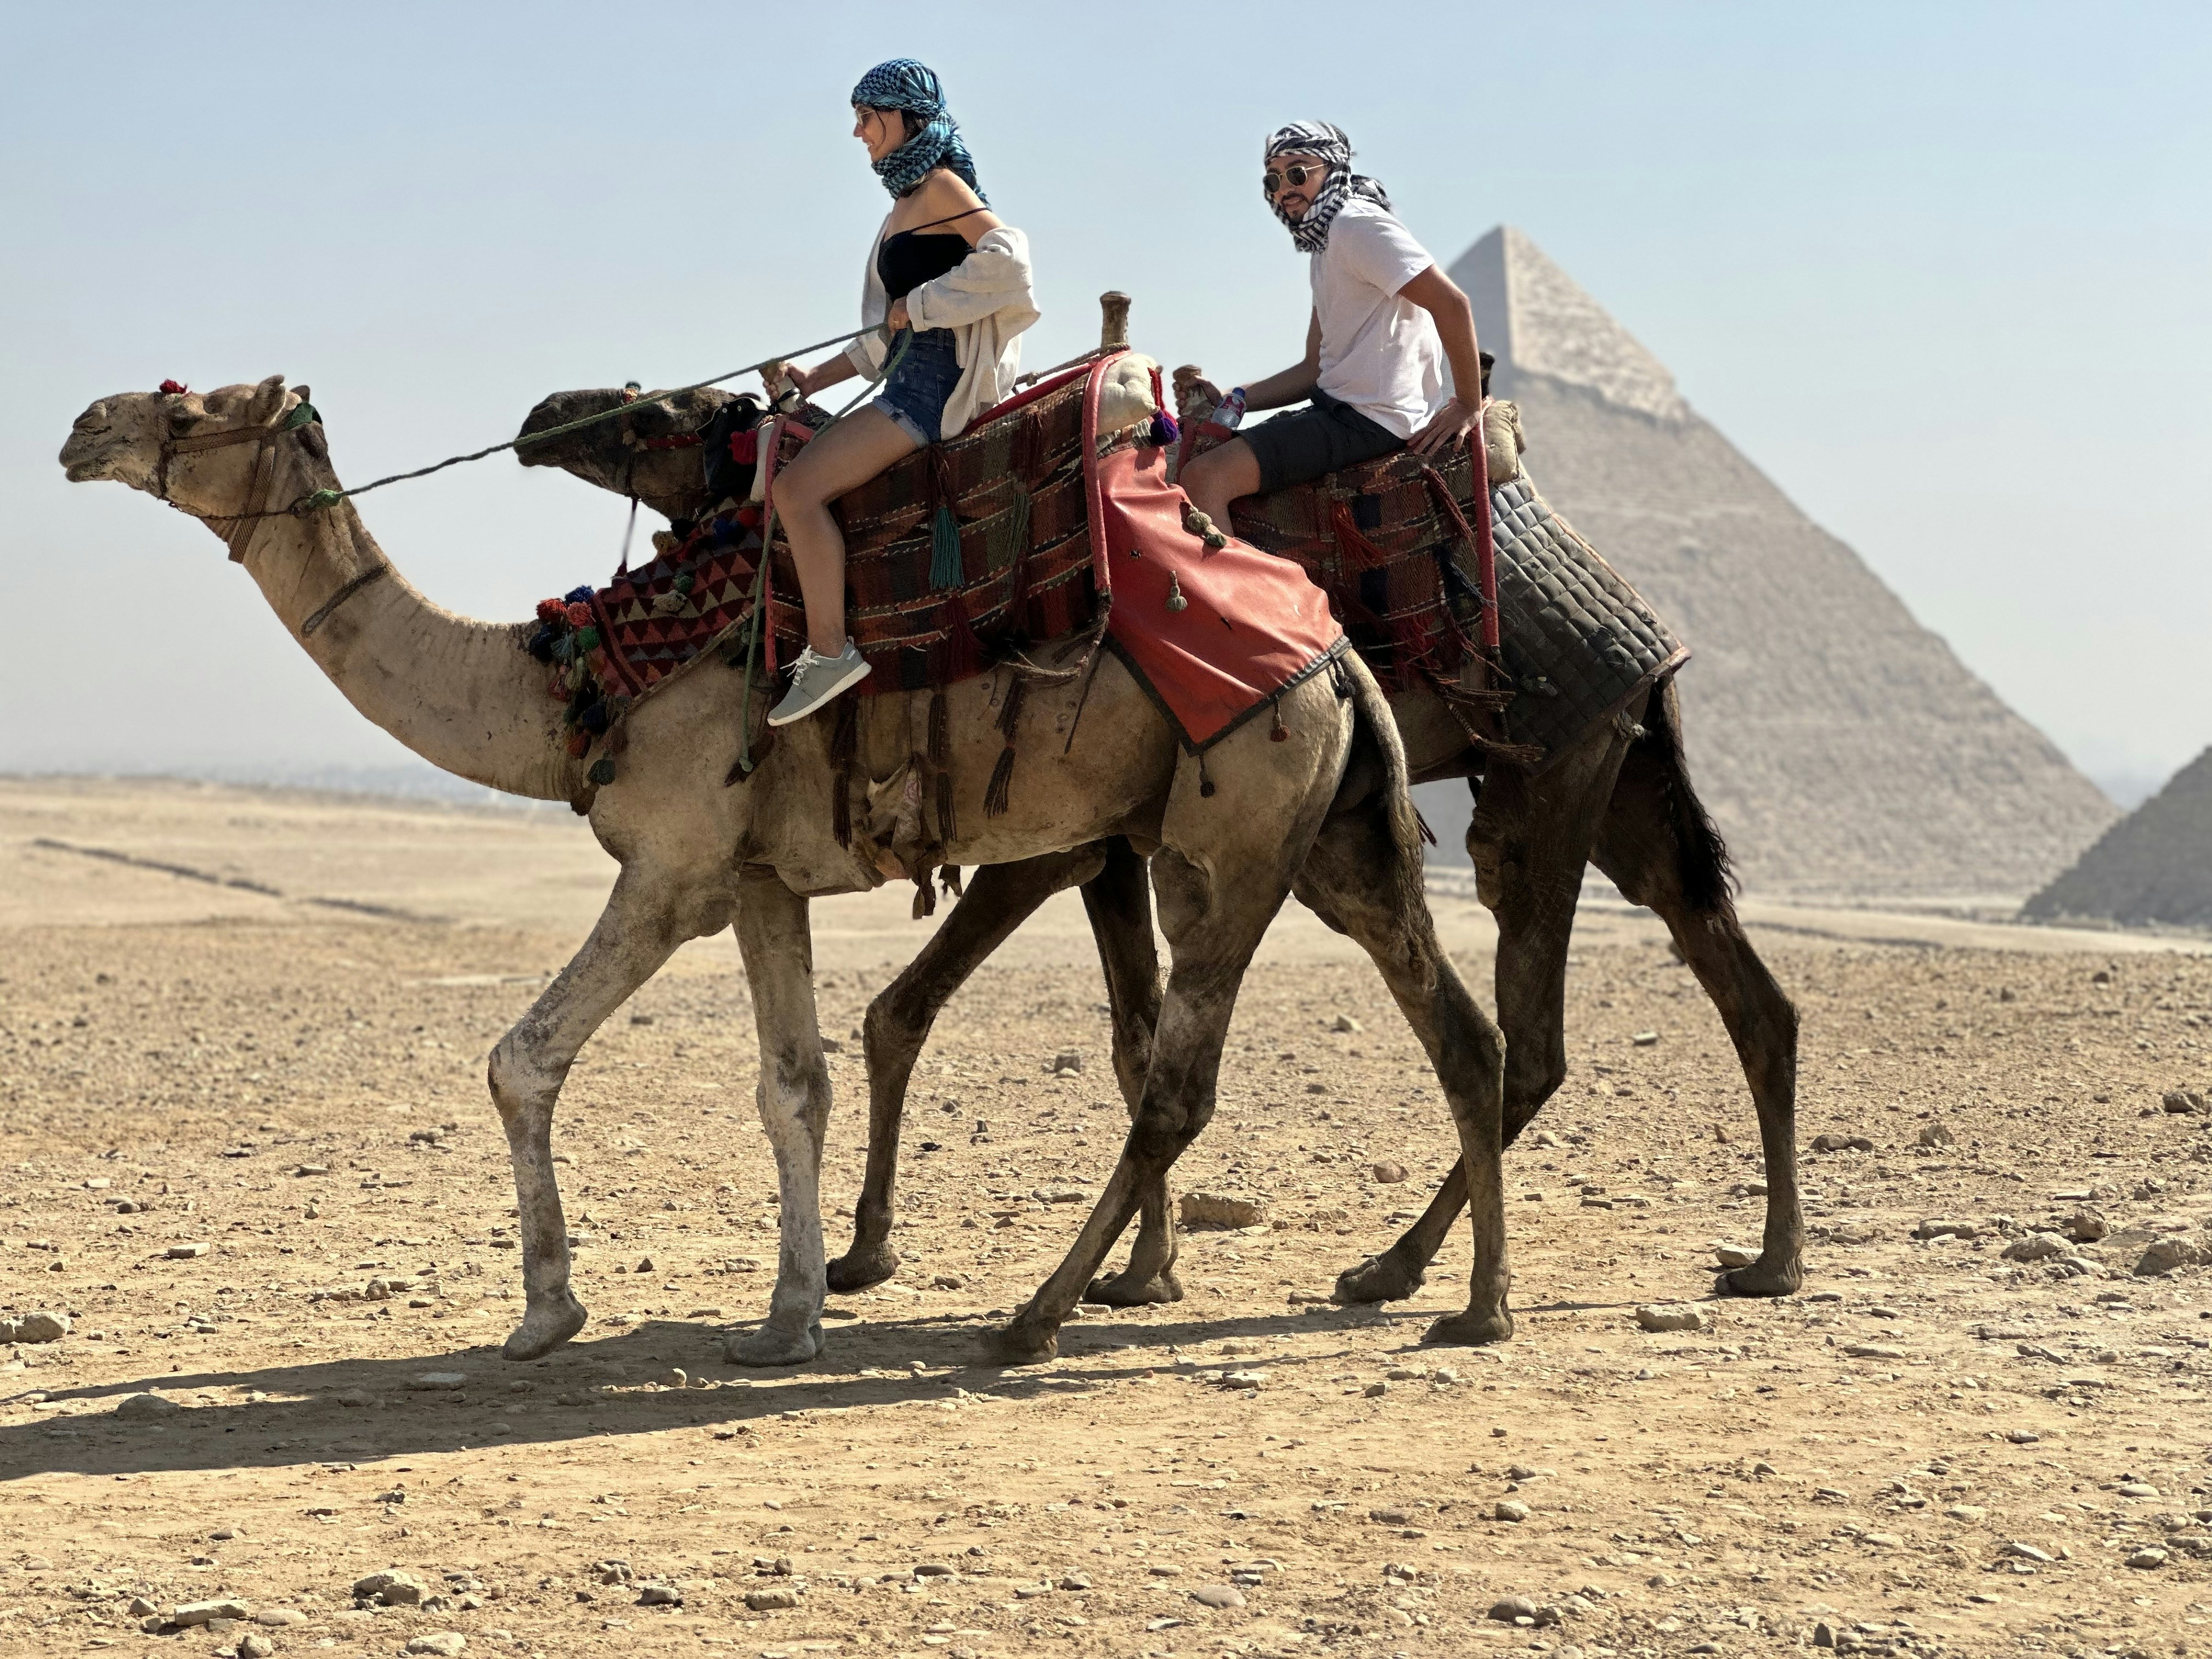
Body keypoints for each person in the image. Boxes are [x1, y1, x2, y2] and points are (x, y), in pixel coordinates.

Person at [763, 59, 1040, 726]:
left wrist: (920, 303)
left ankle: (831, 654)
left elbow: (1013, 262)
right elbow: (883, 337)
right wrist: (813, 381)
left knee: (795, 492)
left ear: (906, 115)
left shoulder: (943, 188)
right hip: (907, 378)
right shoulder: (900, 210)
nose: (858, 133)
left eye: (867, 117)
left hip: (932, 394)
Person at [1179, 121, 1482, 532]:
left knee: (1204, 478)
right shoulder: (1327, 244)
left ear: (1332, 170)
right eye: (1274, 178)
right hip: (1341, 410)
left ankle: (1229, 597)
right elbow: (1314, 369)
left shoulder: (1356, 225)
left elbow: (1452, 303)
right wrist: (1233, 399)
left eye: (1298, 172)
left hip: (1370, 418)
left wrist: (1467, 403)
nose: (1284, 188)